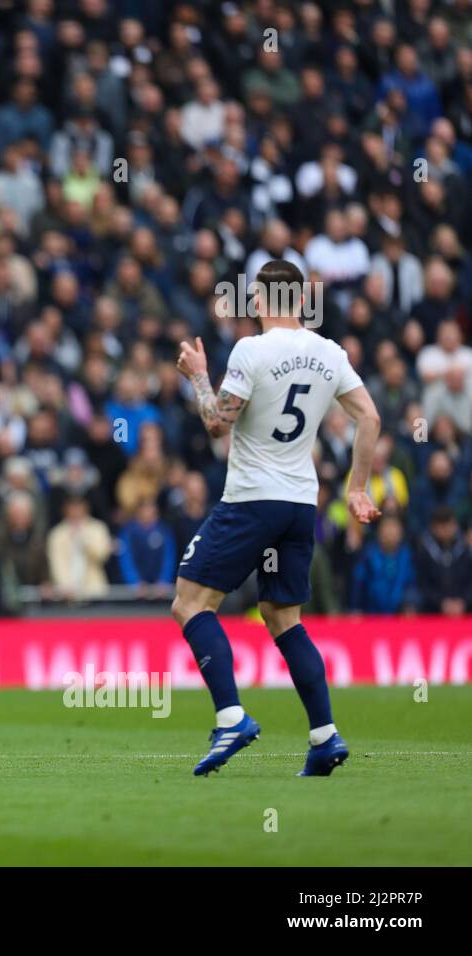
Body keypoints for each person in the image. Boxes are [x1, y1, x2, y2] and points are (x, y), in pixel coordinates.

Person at [172, 259, 382, 778]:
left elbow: (218, 424)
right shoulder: (330, 353)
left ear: (260, 302)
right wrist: (356, 488)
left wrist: (199, 378)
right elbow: (370, 417)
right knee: (284, 618)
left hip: (251, 500)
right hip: (299, 505)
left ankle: (231, 717)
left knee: (190, 602)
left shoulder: (252, 350)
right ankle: (325, 735)